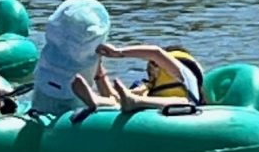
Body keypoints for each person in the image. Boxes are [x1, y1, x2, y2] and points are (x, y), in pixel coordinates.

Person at [29, 0, 113, 118]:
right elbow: (105, 89)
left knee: (41, 102)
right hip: (74, 104)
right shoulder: (87, 55)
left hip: (42, 100)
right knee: (114, 102)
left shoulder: (52, 50)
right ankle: (96, 100)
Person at [74, 45, 205, 113]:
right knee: (119, 100)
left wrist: (118, 52)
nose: (156, 68)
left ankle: (135, 102)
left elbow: (155, 53)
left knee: (182, 101)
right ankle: (96, 101)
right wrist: (99, 73)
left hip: (186, 110)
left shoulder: (189, 78)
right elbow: (118, 98)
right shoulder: (147, 87)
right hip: (148, 111)